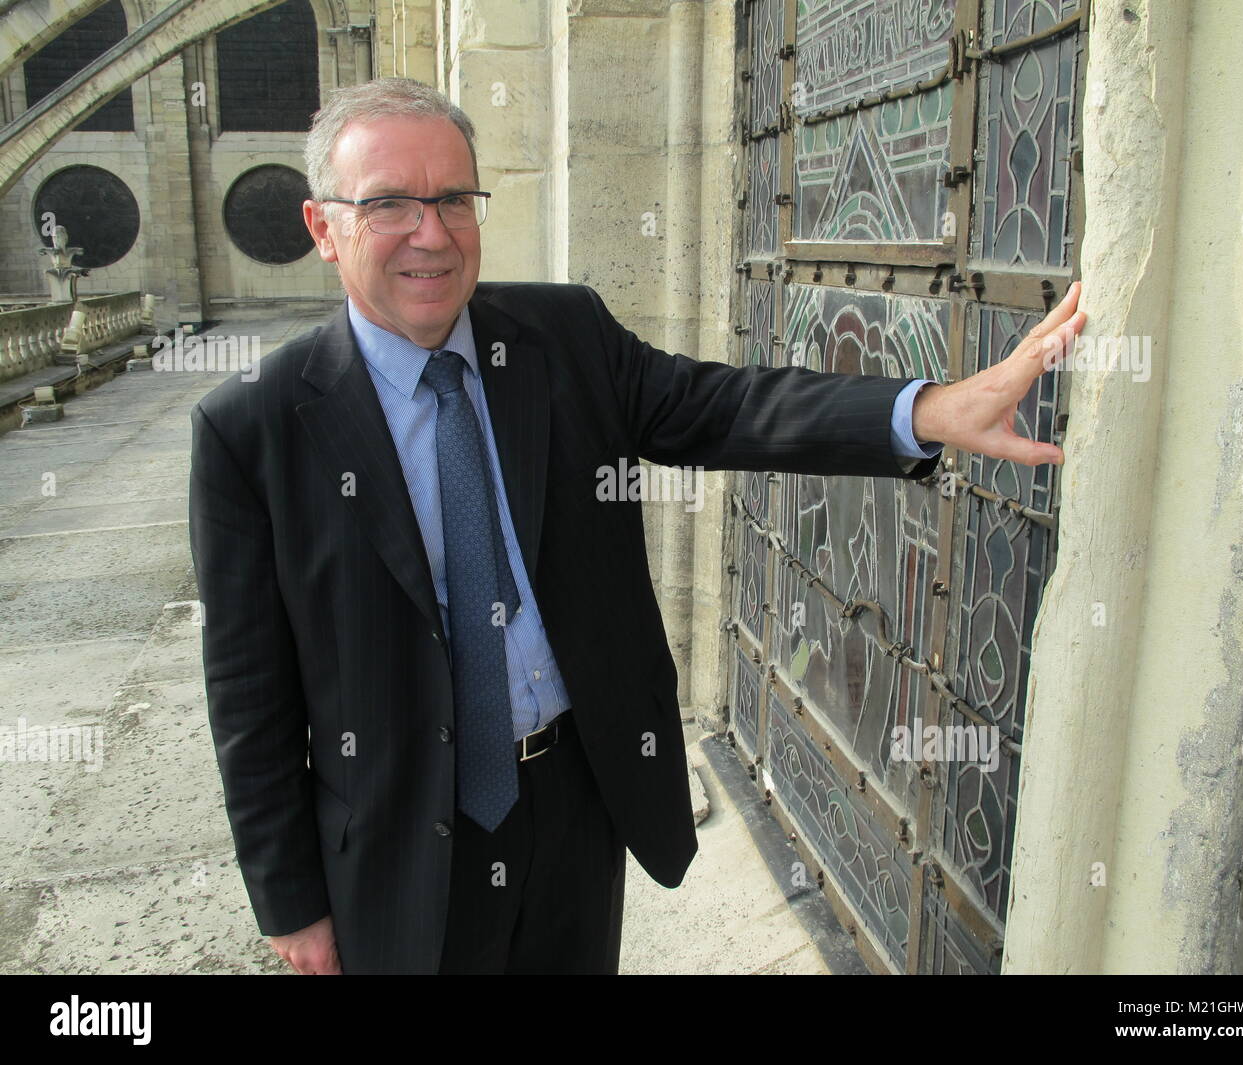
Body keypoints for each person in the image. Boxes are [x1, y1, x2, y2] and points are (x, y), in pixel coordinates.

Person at [188, 77, 1085, 975]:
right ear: (322, 228)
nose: (432, 233)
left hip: (577, 804)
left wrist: (931, 411)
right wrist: (291, 903)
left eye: (454, 198)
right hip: (402, 847)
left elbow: (722, 407)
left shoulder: (560, 334)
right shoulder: (252, 429)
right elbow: (249, 698)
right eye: (389, 204)